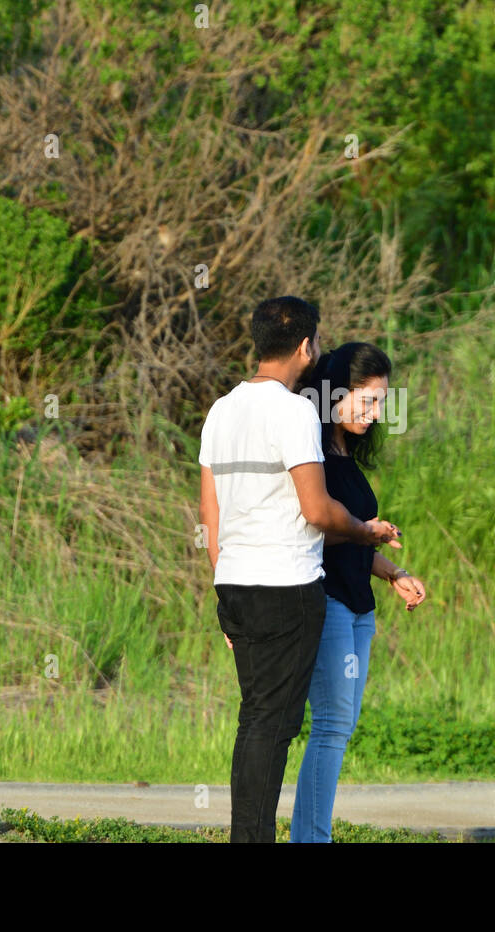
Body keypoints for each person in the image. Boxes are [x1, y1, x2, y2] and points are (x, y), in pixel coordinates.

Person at [197, 297, 402, 843]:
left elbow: (211, 515)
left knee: (258, 721)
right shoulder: (292, 412)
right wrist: (364, 530)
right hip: (287, 586)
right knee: (275, 725)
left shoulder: (220, 410)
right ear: (307, 347)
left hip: (236, 582)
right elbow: (315, 511)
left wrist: (224, 594)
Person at [289, 342, 428, 843]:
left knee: (339, 727)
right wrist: (363, 531)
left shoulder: (345, 455)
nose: (374, 413)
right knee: (329, 725)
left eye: (381, 403)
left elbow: (354, 541)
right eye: (366, 401)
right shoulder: (312, 456)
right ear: (333, 394)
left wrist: (393, 573)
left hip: (357, 606)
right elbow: (312, 529)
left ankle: (310, 834)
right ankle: (311, 838)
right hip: (324, 602)